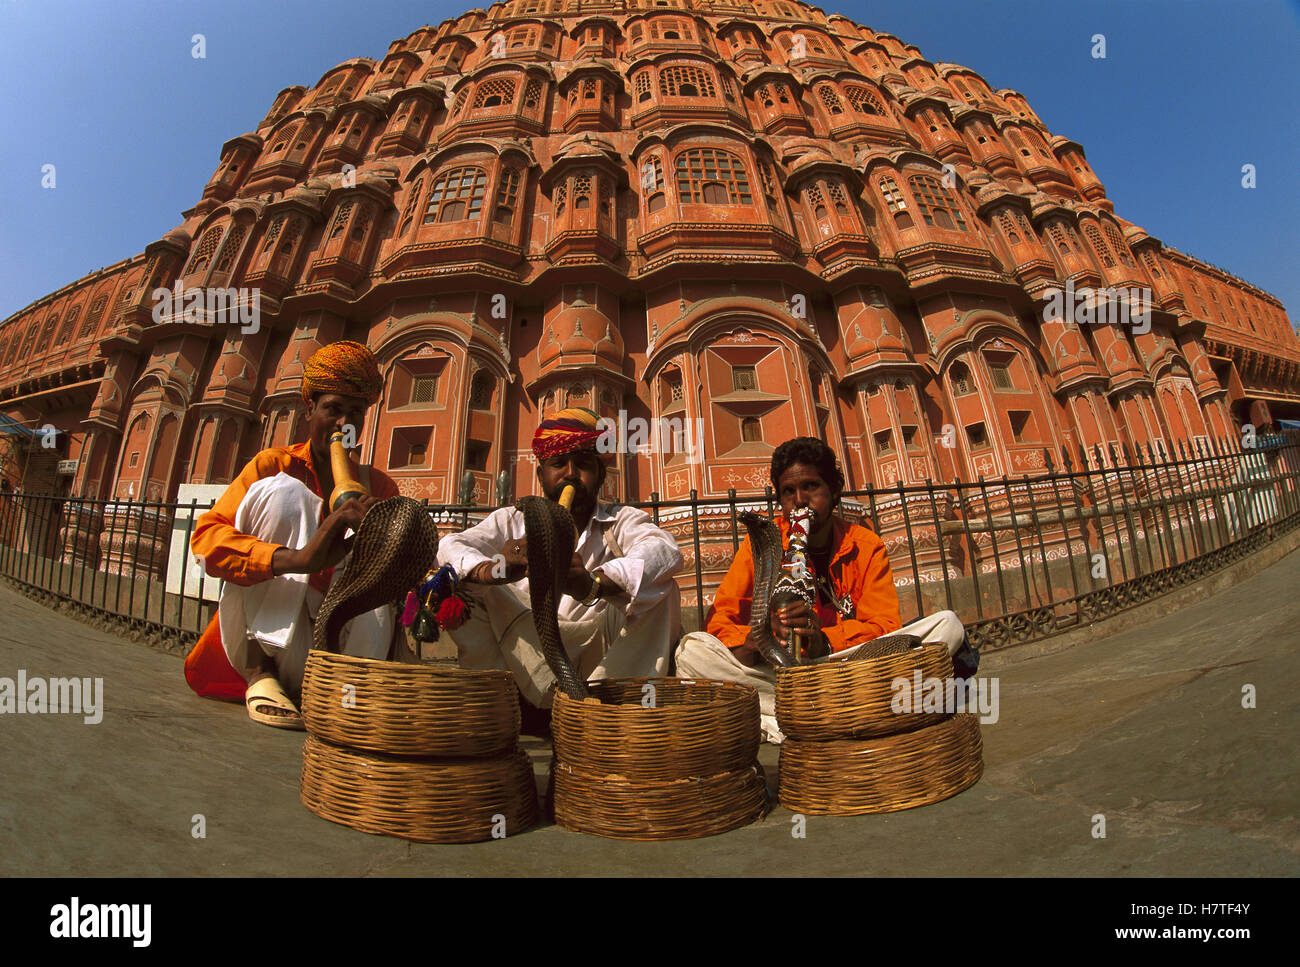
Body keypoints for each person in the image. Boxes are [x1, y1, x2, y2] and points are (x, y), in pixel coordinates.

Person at [675, 436, 975, 743]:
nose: (800, 499)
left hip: (844, 666)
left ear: (833, 492)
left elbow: (885, 627)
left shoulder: (866, 545)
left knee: (947, 626)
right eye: (788, 491)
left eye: (811, 487)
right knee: (691, 651)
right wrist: (755, 642)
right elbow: (718, 622)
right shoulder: (761, 544)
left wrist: (824, 641)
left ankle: (787, 718)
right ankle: (843, 713)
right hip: (781, 673)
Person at [184, 340, 402, 729]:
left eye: (355, 413)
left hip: (334, 654)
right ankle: (261, 675)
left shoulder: (379, 487)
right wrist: (298, 559)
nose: (343, 424)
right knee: (285, 492)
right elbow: (205, 541)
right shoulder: (274, 463)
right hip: (268, 630)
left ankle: (345, 695)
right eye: (333, 409)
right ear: (309, 410)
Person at [437, 407, 683, 724]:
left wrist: (594, 584)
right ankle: (496, 708)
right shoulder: (511, 521)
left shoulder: (620, 520)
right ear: (541, 474)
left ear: (600, 474)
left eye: (582, 464)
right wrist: (497, 568)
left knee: (662, 588)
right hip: (522, 647)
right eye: (558, 464)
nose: (570, 474)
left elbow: (664, 551)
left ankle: (606, 715)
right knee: (464, 583)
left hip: (596, 651)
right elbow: (449, 547)